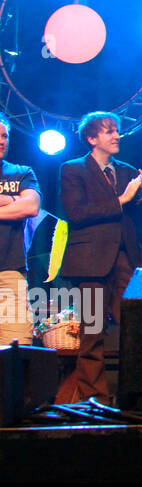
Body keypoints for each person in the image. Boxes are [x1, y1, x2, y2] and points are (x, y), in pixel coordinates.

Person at [56, 112, 142, 403]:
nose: (116, 136)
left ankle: (133, 395)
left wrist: (139, 193)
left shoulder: (125, 171)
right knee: (92, 332)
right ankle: (93, 399)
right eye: (109, 131)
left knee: (134, 329)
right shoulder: (72, 170)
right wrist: (122, 198)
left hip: (125, 259)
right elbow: (77, 213)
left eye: (117, 130)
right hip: (91, 262)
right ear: (92, 138)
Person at [0, 114, 41, 346]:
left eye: (4, 135)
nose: (1, 140)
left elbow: (32, 206)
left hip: (9, 271)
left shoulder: (21, 172)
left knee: (17, 346)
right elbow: (21, 205)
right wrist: (10, 200)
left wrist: (17, 202)